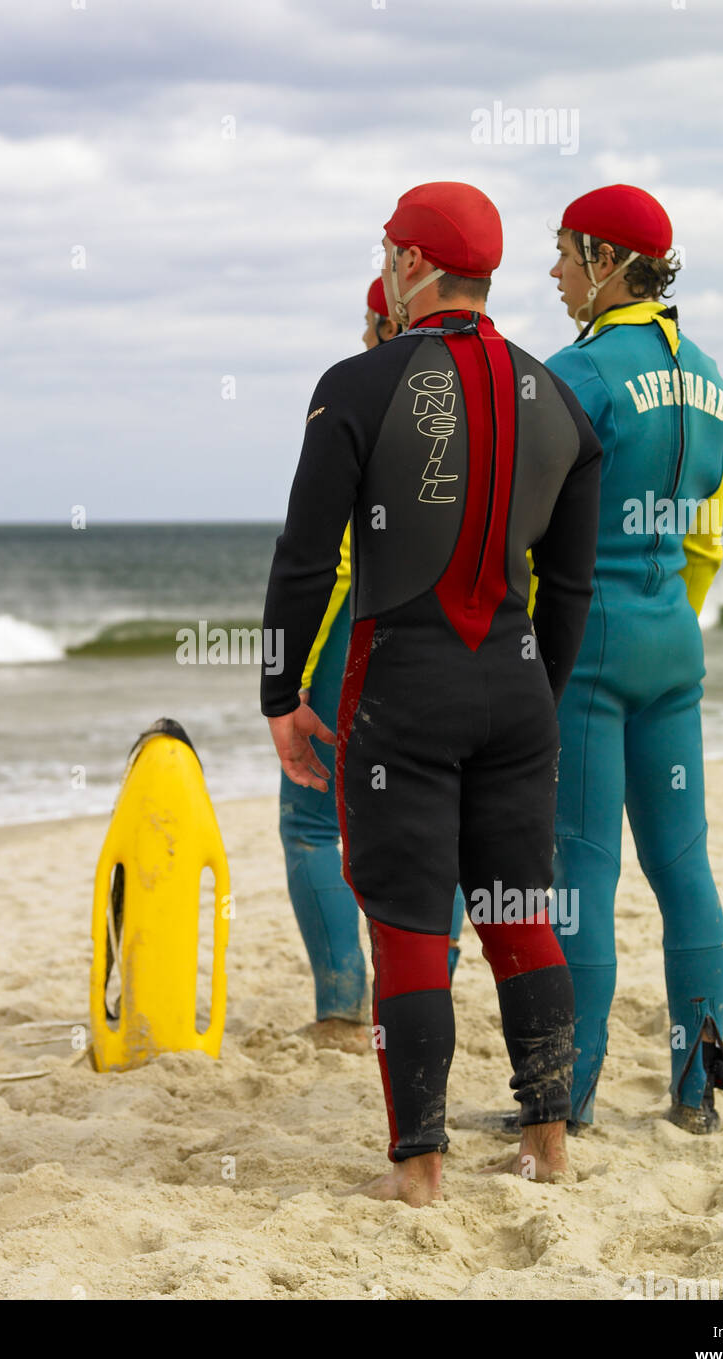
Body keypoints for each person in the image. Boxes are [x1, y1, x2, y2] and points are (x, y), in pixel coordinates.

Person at [262, 182, 602, 1204]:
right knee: (517, 912)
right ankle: (547, 1143)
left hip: (402, 696)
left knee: (409, 922)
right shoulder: (562, 404)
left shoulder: (356, 387)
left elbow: (306, 558)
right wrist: (533, 695)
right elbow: (570, 583)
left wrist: (281, 689)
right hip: (515, 691)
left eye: (386, 250)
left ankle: (418, 1169)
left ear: (409, 263)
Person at [544, 185, 723, 1133]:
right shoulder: (716, 385)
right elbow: (705, 539)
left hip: (590, 645)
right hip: (674, 640)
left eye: (564, 254)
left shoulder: (576, 376)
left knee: (581, 868)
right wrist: (672, 619)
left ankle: (569, 1099)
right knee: (684, 868)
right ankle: (698, 1093)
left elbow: (526, 529)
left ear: (607, 259)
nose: (555, 273)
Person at [285, 281, 466, 1056]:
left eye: (367, 320)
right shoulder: (486, 400)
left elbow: (331, 561)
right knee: (444, 828)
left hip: (361, 633)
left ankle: (341, 1008)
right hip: (462, 634)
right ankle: (431, 993)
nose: (361, 335)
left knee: (311, 823)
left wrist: (291, 672)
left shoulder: (362, 397)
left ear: (387, 317)